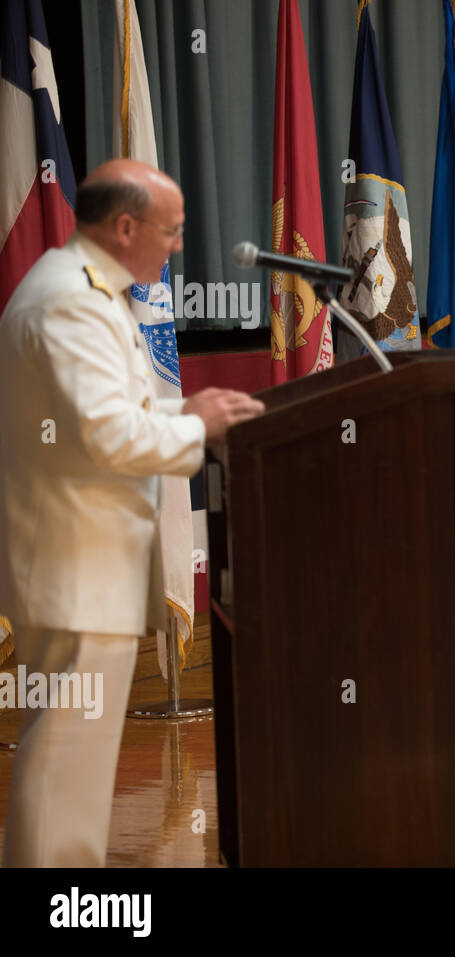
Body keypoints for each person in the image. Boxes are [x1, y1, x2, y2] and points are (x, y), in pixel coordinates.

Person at [0, 159, 265, 866]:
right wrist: (197, 422)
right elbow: (106, 435)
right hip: (73, 574)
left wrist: (191, 416)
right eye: (171, 230)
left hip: (86, 571)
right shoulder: (71, 301)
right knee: (63, 768)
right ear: (125, 226)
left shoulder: (93, 293)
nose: (178, 246)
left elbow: (119, 419)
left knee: (73, 769)